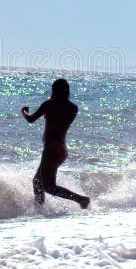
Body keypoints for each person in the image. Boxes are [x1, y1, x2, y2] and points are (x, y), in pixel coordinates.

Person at [22, 78, 90, 209]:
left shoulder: (49, 104)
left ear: (54, 91)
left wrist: (23, 111)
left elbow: (31, 119)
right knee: (37, 182)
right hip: (61, 149)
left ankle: (82, 200)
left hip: (51, 149)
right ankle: (40, 210)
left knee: (49, 186)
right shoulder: (73, 108)